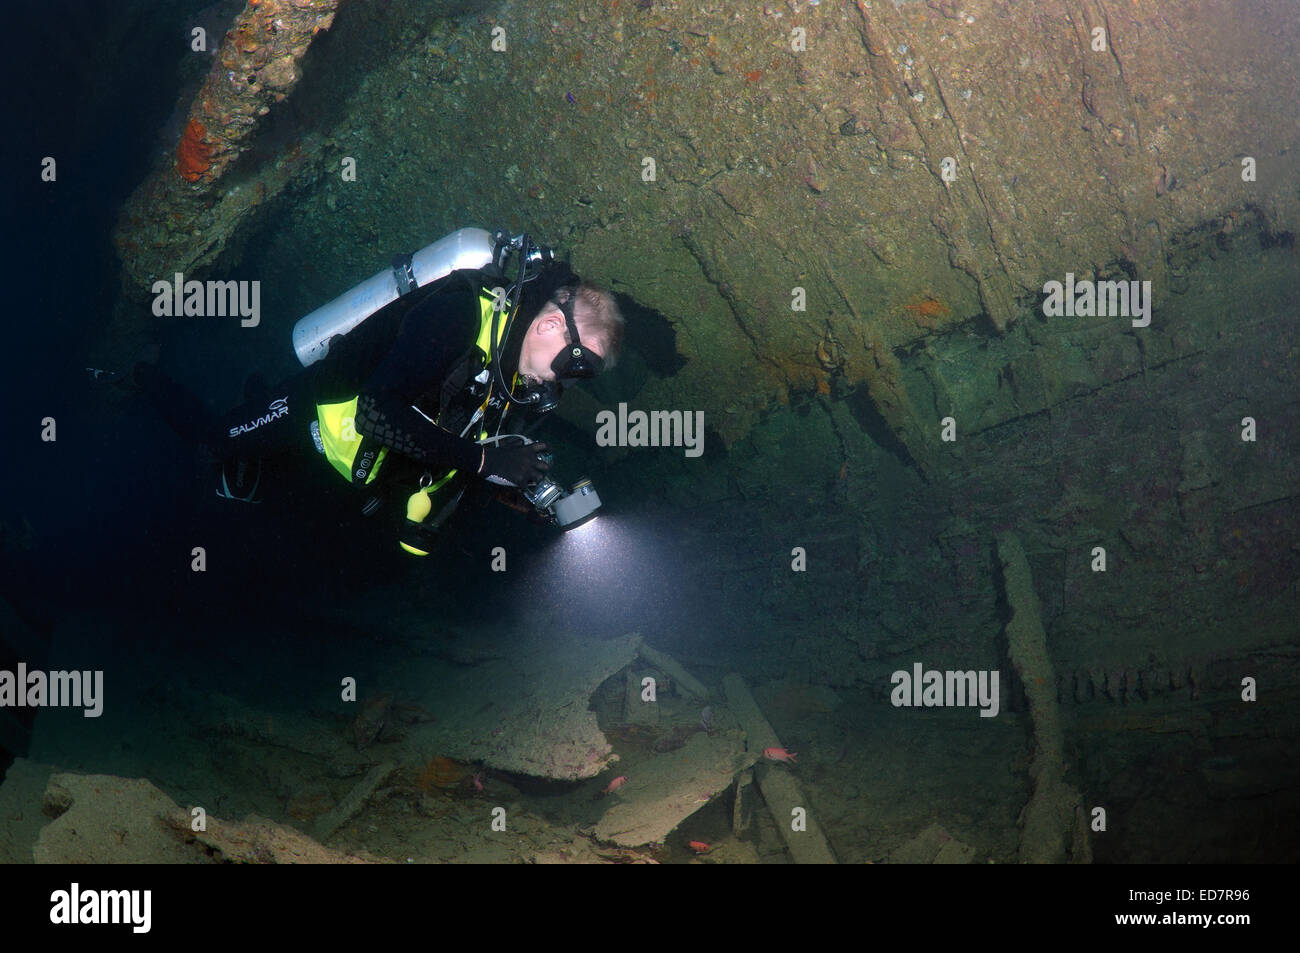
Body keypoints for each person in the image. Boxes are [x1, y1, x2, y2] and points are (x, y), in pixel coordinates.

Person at [127, 252, 623, 552]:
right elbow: (376, 410)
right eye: (577, 366)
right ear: (551, 324)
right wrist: (486, 459)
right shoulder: (459, 314)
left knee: (255, 499)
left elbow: (462, 448)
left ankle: (257, 411)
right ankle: (139, 373)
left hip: (353, 470)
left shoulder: (513, 379)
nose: (569, 383)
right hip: (317, 409)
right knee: (213, 444)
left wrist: (516, 489)